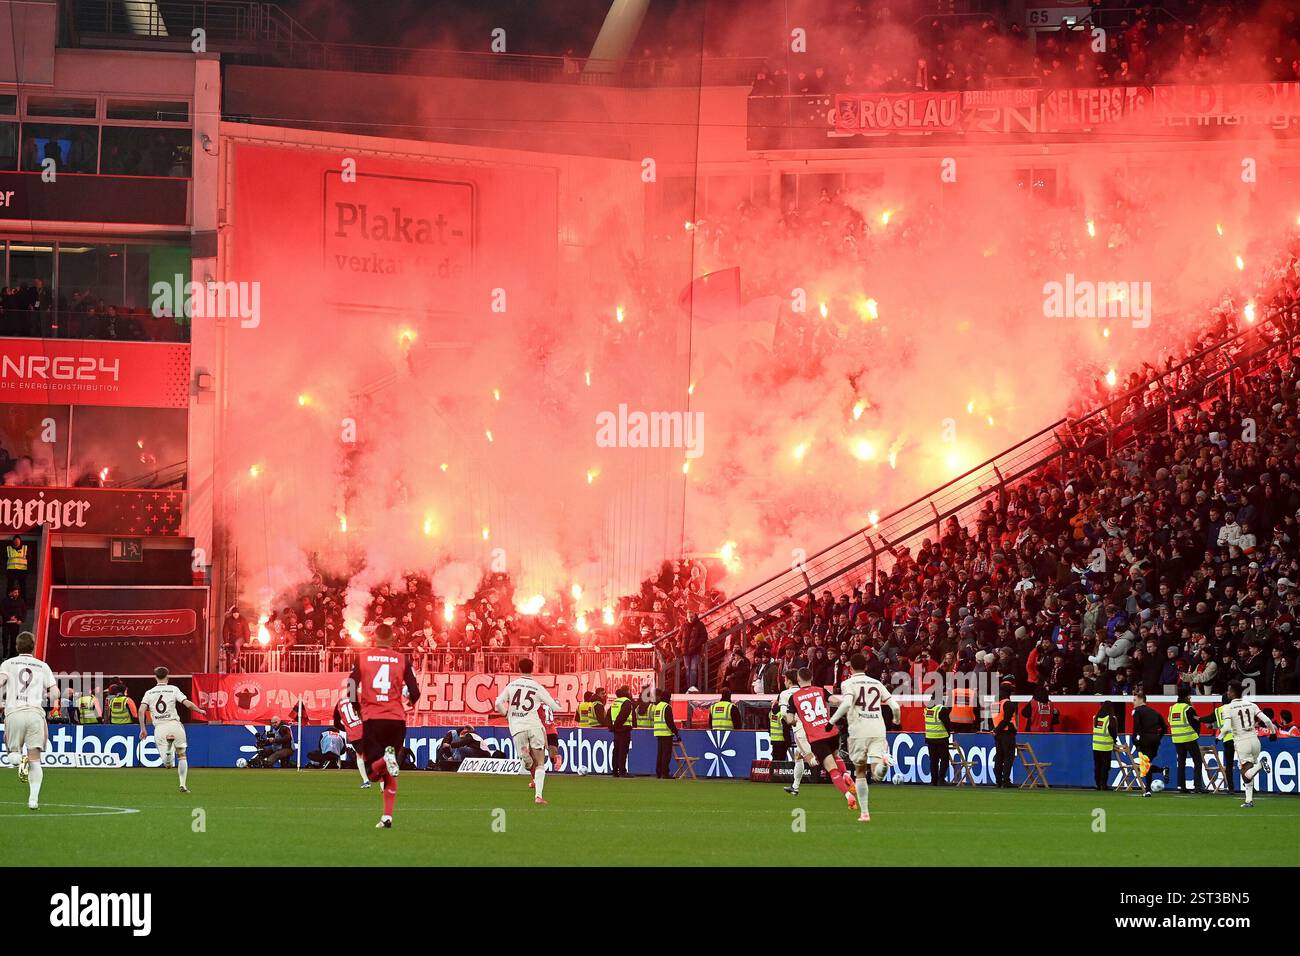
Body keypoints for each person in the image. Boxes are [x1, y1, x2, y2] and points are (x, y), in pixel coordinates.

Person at [349, 622, 421, 828]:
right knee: (389, 772)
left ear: (374, 638)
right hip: (397, 720)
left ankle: (385, 759)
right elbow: (414, 691)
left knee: (373, 773)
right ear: (392, 640)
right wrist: (409, 703)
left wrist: (356, 706)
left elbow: (352, 684)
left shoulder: (363, 657)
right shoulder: (402, 659)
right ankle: (387, 817)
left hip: (373, 718)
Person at [829, 652, 899, 823]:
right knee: (876, 774)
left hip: (859, 730)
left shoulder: (848, 683)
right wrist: (896, 720)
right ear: (866, 667)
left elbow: (846, 704)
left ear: (850, 668)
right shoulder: (876, 683)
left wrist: (832, 721)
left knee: (860, 771)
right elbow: (895, 706)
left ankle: (865, 814)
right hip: (877, 728)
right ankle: (882, 764)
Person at [788, 668, 858, 811]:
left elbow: (789, 720)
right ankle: (845, 774)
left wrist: (794, 721)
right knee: (836, 755)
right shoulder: (821, 690)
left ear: (798, 680)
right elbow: (836, 701)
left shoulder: (793, 698)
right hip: (831, 732)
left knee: (832, 770)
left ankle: (848, 796)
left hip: (816, 738)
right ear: (812, 677)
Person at [0, 632, 55, 810]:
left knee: (12, 755)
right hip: (34, 713)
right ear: (33, 647)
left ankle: (18, 759)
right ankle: (33, 800)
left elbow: (0, 683)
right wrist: (46, 698)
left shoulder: (7, 664)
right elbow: (55, 694)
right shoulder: (42, 666)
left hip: (14, 713)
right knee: (35, 760)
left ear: (16, 647)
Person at [494, 658, 561, 803]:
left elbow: (498, 703)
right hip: (534, 726)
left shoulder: (511, 686)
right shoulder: (537, 687)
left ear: (519, 669)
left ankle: (525, 757)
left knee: (527, 760)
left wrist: (505, 713)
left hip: (517, 727)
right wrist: (554, 705)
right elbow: (555, 707)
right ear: (533, 669)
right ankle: (538, 796)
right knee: (540, 763)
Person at [138, 668, 205, 792]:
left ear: (155, 677)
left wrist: (143, 729)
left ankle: (169, 749)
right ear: (168, 677)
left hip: (160, 727)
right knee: (182, 755)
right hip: (175, 725)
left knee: (167, 765)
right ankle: (183, 785)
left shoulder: (149, 693)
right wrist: (199, 711)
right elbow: (187, 703)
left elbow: (141, 711)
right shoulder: (174, 689)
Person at [1220, 681, 1278, 809]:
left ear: (1233, 692)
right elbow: (1267, 720)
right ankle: (1249, 800)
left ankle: (1260, 765)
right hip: (1255, 741)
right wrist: (1273, 733)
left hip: (1242, 742)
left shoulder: (1228, 708)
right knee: (1249, 773)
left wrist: (1219, 737)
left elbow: (1227, 727)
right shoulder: (1251, 705)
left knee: (1245, 773)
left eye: (1229, 690)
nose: (1227, 692)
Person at [777, 670, 811, 795]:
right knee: (798, 756)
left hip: (800, 730)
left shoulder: (785, 694)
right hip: (812, 726)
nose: (784, 682)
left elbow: (784, 713)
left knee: (815, 759)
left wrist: (789, 721)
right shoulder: (805, 691)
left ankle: (845, 778)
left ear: (789, 680)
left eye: (785, 679)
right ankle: (795, 787)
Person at [1130, 689, 1168, 796]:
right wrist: (1158, 738)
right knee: (1147, 764)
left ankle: (1147, 790)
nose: (1133, 702)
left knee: (1145, 765)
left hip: (1144, 740)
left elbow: (1136, 727)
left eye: (1134, 700)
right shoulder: (1155, 712)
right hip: (1155, 740)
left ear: (1141, 699)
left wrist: (1135, 740)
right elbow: (1164, 728)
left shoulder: (1138, 711)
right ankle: (1162, 770)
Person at [1169, 688, 1206, 794]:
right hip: (1189, 738)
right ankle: (1198, 786)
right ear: (1187, 697)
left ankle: (1182, 786)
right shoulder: (1188, 708)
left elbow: (1170, 721)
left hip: (1177, 739)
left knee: (1181, 762)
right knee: (1197, 761)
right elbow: (1196, 722)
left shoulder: (1172, 708)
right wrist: (1196, 735)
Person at [332, 692, 370, 788]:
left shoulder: (340, 702)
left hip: (354, 735)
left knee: (360, 756)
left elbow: (336, 723)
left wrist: (348, 728)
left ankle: (366, 781)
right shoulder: (360, 697)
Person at [989, 681, 1017, 788]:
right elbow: (1006, 720)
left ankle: (998, 781)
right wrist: (997, 730)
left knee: (999, 758)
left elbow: (993, 719)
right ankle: (1006, 781)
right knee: (1008, 758)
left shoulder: (995, 704)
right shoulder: (1008, 704)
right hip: (1007, 734)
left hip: (998, 735)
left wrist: (995, 730)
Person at [924, 689, 952, 786]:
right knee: (944, 760)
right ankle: (941, 779)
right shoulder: (941, 709)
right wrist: (948, 733)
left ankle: (933, 781)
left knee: (933, 760)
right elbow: (947, 723)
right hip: (941, 738)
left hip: (930, 738)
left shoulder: (928, 709)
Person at [1091, 700, 1119, 791]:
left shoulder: (1096, 717)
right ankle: (1104, 785)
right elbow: (1112, 731)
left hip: (1096, 746)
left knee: (1097, 766)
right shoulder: (1110, 718)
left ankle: (1098, 785)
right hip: (1106, 746)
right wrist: (1115, 741)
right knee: (1105, 766)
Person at [608, 684, 634, 777]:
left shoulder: (615, 702)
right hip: (624, 729)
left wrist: (612, 727)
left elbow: (608, 715)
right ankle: (622, 771)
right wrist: (617, 726)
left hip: (616, 730)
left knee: (616, 750)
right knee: (623, 751)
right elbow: (623, 715)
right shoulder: (627, 702)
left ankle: (615, 771)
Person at [651, 690, 679, 778]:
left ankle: (659, 773)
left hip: (658, 732)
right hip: (666, 733)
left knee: (660, 754)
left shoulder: (657, 706)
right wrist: (676, 733)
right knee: (666, 755)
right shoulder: (667, 707)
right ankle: (665, 773)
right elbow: (669, 721)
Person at [1213, 692, 1236, 794]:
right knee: (1245, 763)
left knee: (1229, 765)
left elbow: (1211, 719)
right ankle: (1250, 787)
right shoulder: (1235, 708)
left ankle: (1231, 788)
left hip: (1227, 740)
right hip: (1239, 738)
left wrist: (1219, 737)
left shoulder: (1218, 711)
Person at [1, 583, 25, 660]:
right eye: (15, 592)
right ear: (10, 592)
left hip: (15, 624)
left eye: (17, 592)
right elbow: (2, 610)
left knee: (14, 640)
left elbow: (24, 611)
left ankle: (12, 654)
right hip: (6, 624)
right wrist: (9, 617)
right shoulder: (5, 601)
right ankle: (5, 654)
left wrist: (21, 620)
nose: (16, 594)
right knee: (5, 639)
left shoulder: (20, 601)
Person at [539, 698, 562, 774]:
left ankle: (537, 773)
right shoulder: (548, 702)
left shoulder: (536, 704)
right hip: (552, 731)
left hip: (540, 731)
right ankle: (556, 758)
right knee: (552, 755)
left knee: (537, 754)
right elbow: (558, 706)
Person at [5, 535, 28, 601]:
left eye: (18, 541)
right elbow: (4, 559)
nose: (17, 542)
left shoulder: (25, 548)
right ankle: (8, 600)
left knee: (23, 587)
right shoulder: (8, 549)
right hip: (11, 571)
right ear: (13, 541)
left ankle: (23, 601)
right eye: (15, 541)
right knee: (10, 586)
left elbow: (30, 558)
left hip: (22, 571)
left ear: (20, 541)